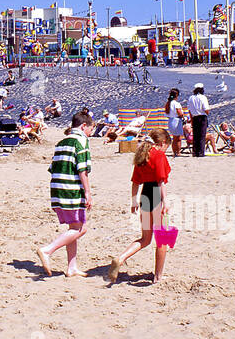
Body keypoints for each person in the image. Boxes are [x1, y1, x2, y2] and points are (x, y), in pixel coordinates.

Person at [35, 109, 94, 278]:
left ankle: (71, 267)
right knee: (81, 228)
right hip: (71, 189)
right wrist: (88, 193)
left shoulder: (61, 142)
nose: (91, 132)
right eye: (90, 129)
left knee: (73, 227)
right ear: (83, 126)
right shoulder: (81, 141)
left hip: (57, 188)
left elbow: (52, 168)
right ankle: (47, 250)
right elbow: (83, 170)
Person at [108, 129, 171, 284]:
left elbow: (135, 182)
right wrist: (166, 201)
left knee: (145, 238)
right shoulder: (159, 155)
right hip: (156, 195)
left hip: (145, 197)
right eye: (166, 146)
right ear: (162, 143)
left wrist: (134, 201)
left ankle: (121, 258)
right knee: (162, 239)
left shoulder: (142, 156)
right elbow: (161, 181)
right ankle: (158, 276)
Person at [186, 84, 209, 158]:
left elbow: (189, 110)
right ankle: (201, 152)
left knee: (195, 136)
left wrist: (191, 119)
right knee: (202, 136)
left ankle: (195, 152)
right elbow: (206, 109)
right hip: (202, 117)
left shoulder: (191, 98)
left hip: (194, 117)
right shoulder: (203, 97)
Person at [165, 88, 185, 157]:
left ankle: (175, 152)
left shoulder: (168, 104)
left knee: (174, 138)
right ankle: (178, 152)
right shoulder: (176, 104)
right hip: (176, 120)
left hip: (170, 120)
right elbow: (179, 113)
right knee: (178, 138)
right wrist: (183, 116)